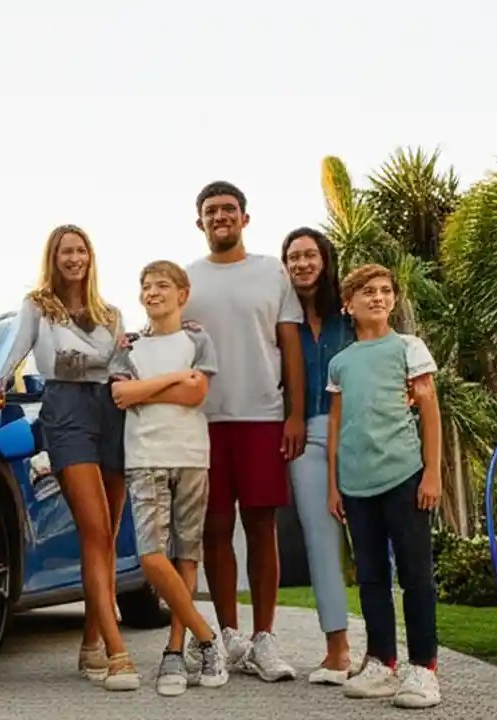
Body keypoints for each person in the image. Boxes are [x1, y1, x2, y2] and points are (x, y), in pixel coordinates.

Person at [0, 224, 140, 691]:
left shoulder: (110, 313)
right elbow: (14, 355)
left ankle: (91, 639)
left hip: (111, 413)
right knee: (93, 529)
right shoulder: (38, 305)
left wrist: (169, 335)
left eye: (80, 250)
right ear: (53, 259)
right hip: (66, 411)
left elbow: (124, 368)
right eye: (64, 252)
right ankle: (117, 653)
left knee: (109, 534)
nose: (73, 258)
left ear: (90, 257)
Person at [173, 181, 305, 682]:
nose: (220, 217)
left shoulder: (271, 272)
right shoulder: (187, 279)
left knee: (261, 526)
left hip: (262, 415)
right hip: (202, 421)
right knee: (214, 530)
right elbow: (167, 338)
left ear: (245, 219)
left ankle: (264, 639)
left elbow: (288, 344)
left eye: (229, 209)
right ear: (199, 221)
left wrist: (292, 413)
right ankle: (228, 637)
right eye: (211, 211)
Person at [326, 263, 443, 709]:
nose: (378, 297)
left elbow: (428, 410)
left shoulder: (409, 348)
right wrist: (333, 485)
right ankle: (381, 662)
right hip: (356, 485)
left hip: (403, 477)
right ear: (348, 304)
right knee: (372, 577)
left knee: (416, 576)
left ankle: (424, 669)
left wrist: (431, 472)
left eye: (385, 290)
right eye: (367, 292)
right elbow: (336, 425)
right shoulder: (341, 362)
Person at [109, 260, 229, 696]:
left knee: (187, 555)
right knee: (151, 555)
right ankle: (207, 637)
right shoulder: (129, 345)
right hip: (145, 457)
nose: (153, 292)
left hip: (192, 456)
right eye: (146, 286)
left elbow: (197, 393)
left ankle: (175, 652)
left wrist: (151, 389)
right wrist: (176, 377)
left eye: (162, 285)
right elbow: (121, 394)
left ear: (182, 293)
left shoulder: (198, 338)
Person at [281, 227, 353, 684]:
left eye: (310, 255)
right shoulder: (279, 323)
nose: (302, 264)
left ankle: (388, 652)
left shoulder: (351, 314)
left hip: (358, 433)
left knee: (368, 540)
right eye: (293, 257)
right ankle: (338, 651)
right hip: (305, 437)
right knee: (321, 544)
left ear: (325, 260)